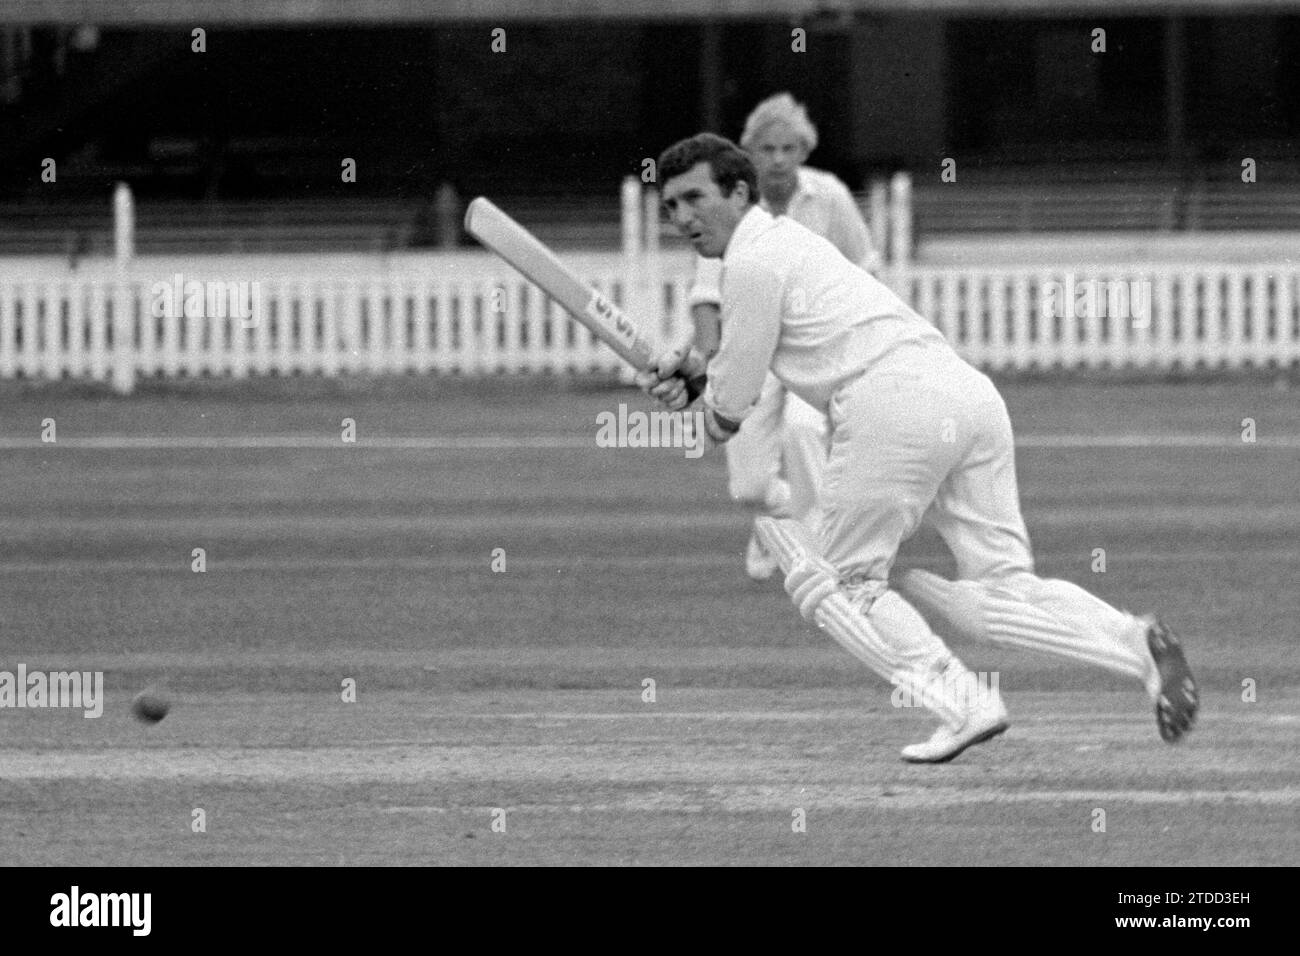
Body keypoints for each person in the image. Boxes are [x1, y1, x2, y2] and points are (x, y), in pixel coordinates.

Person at [638, 133, 1199, 763]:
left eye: (693, 199)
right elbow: (730, 363)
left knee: (840, 585)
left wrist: (696, 399)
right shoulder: (783, 245)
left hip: (888, 404)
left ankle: (964, 703)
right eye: (671, 207)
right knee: (1002, 584)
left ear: (738, 193)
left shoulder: (748, 262)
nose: (682, 219)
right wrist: (693, 373)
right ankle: (1139, 641)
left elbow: (729, 407)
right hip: (965, 394)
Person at [687, 93, 877, 581]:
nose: (777, 160)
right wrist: (707, 357)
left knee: (803, 430)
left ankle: (823, 552)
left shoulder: (828, 196)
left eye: (788, 148)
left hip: (817, 349)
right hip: (751, 351)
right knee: (749, 487)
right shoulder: (732, 207)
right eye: (767, 149)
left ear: (803, 150)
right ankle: (780, 520)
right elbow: (707, 294)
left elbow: (865, 269)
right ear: (750, 153)